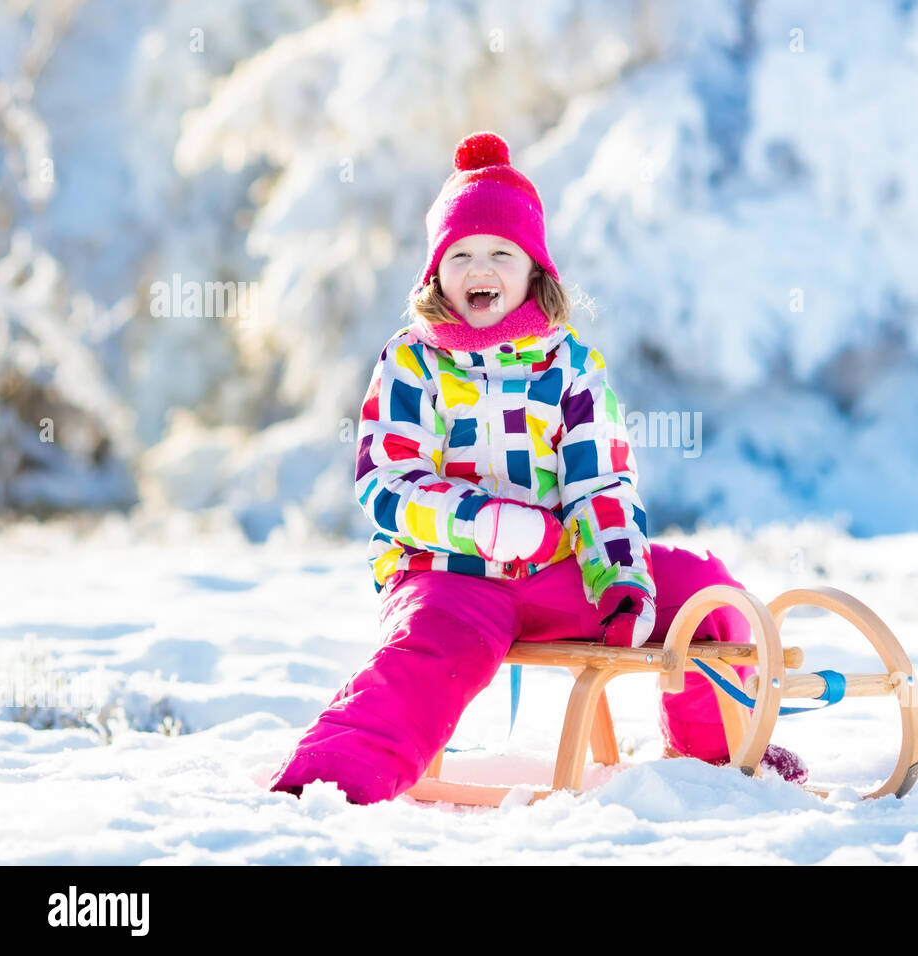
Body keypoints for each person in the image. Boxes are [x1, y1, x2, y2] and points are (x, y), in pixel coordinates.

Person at [267, 131, 806, 805]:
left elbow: (600, 482)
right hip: (447, 578)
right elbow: (388, 483)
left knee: (702, 593)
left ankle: (720, 757)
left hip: (560, 570)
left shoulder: (569, 364)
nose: (478, 267)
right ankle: (325, 784)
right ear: (437, 274)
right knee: (424, 667)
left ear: (533, 270)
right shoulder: (413, 361)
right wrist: (481, 525)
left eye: (499, 251)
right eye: (459, 254)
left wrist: (619, 575)